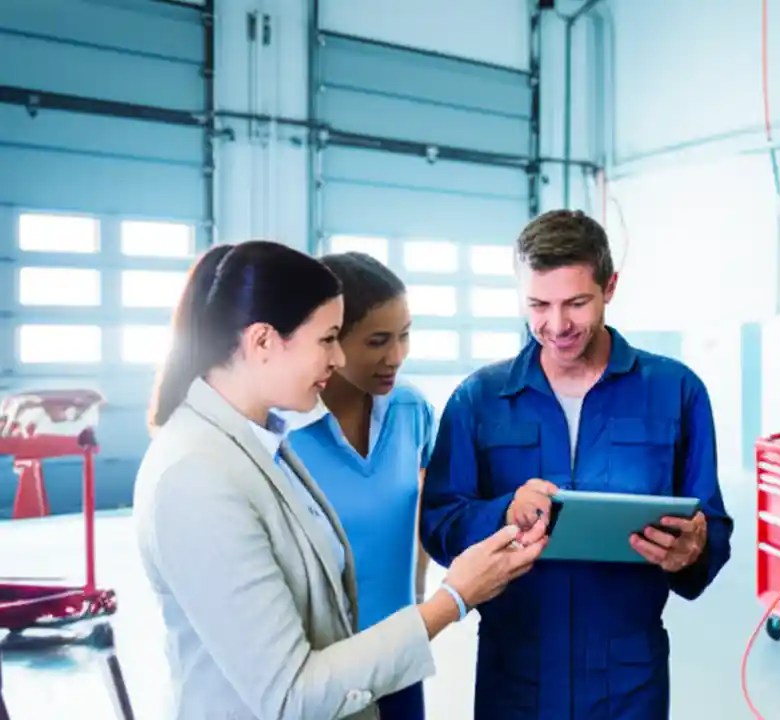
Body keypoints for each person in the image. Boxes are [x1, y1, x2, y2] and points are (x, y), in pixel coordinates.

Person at [133, 240, 546, 720]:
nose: (335, 361)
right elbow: (292, 694)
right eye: (327, 340)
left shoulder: (262, 442)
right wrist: (452, 598)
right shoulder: (196, 476)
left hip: (369, 673)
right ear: (263, 341)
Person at [420, 210, 734, 720]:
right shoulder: (479, 399)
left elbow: (711, 528)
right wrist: (503, 512)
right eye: (538, 305)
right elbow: (439, 526)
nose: (557, 325)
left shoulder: (677, 392)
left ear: (610, 287)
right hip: (513, 670)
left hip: (629, 674)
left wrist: (693, 551)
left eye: (576, 303)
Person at [285, 252, 434, 720]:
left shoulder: (412, 408)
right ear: (333, 341)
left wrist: (417, 592)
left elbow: (426, 496)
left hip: (400, 655)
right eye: (377, 341)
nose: (397, 356)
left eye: (404, 335)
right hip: (323, 666)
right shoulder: (283, 430)